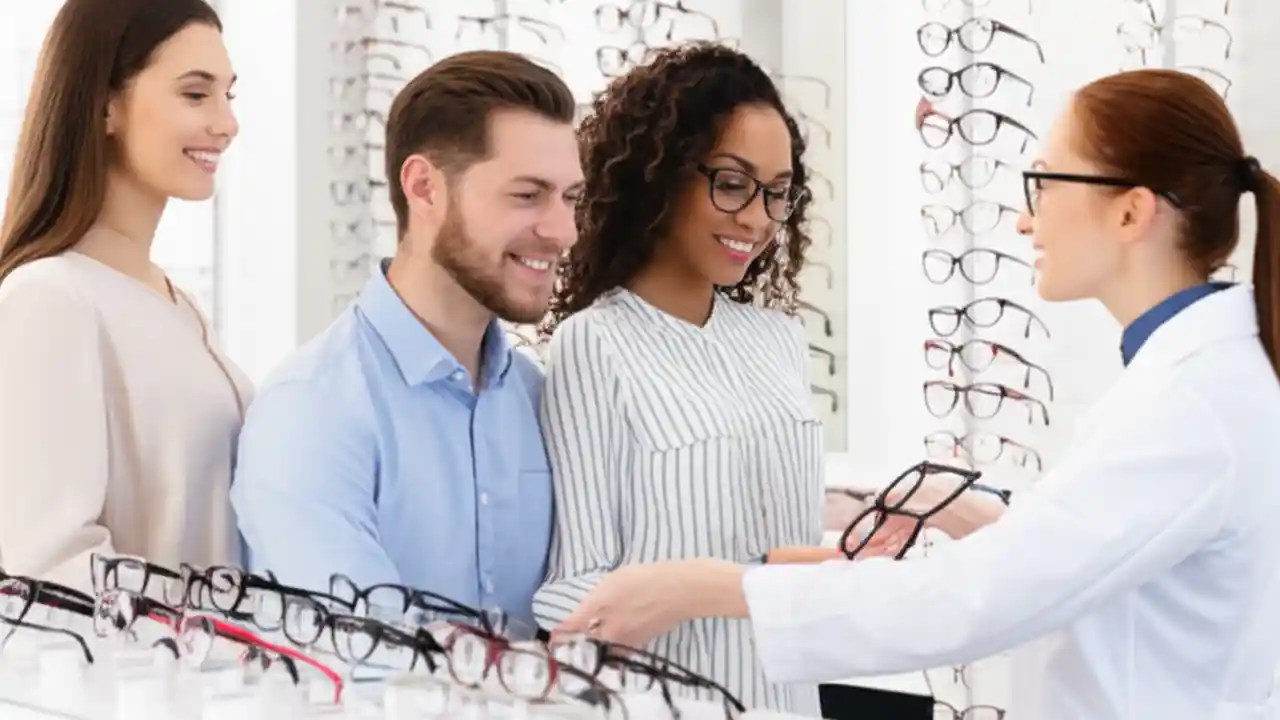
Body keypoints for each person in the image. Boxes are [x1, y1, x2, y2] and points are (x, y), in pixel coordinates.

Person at [553, 68, 1280, 720]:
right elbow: (1085, 548)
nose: (1024, 218)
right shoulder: (1197, 383)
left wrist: (711, 587)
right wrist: (981, 516)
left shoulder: (1189, 406)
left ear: (1130, 213)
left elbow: (974, 599)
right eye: (734, 183)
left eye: (1044, 183)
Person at [230, 51, 583, 627]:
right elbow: (366, 654)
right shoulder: (310, 409)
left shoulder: (541, 398)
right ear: (424, 188)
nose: (564, 232)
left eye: (570, 198)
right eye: (527, 195)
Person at [533, 43, 832, 715]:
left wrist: (861, 562)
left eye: (777, 193)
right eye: (731, 183)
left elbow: (784, 545)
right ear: (660, 174)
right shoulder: (596, 344)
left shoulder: (779, 341)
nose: (757, 218)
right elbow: (576, 585)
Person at [0, 0, 248, 591]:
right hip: (151, 652)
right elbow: (52, 566)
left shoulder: (177, 304)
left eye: (228, 95)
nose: (227, 123)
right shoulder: (50, 297)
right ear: (105, 106)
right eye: (195, 94)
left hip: (226, 649)